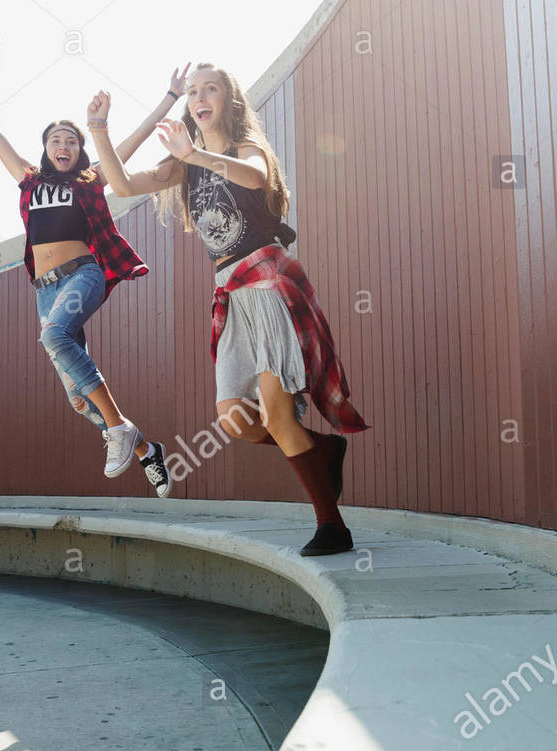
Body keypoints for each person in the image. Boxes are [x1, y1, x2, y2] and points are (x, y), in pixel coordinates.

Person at [92, 64, 368, 556]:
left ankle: (333, 527)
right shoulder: (184, 166)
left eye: (209, 89)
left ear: (228, 100)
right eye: (193, 92)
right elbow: (122, 185)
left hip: (267, 283)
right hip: (231, 295)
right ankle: (323, 449)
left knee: (279, 416)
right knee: (236, 421)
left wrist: (196, 152)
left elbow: (256, 176)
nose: (200, 97)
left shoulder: (242, 149)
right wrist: (99, 130)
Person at [0, 33, 171, 496]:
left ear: (79, 151)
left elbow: (130, 145)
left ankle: (118, 430)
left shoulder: (89, 179)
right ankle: (145, 449)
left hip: (85, 273)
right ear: (45, 149)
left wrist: (169, 98)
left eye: (71, 141)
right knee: (80, 401)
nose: (63, 145)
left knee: (54, 335)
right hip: (45, 288)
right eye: (55, 140)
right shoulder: (28, 180)